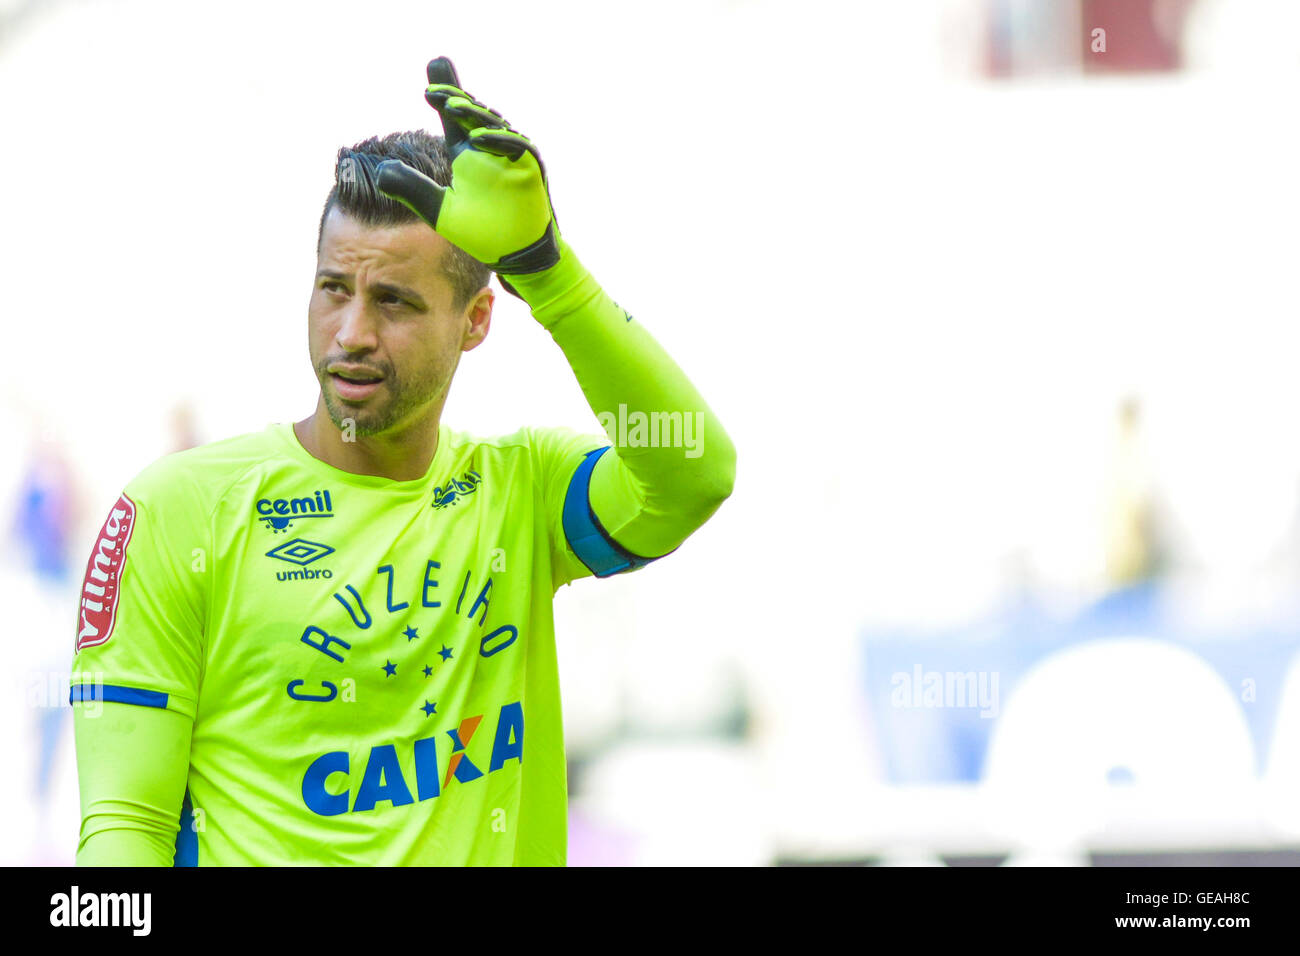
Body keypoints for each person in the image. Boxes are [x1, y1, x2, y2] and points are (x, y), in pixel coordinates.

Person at [69, 57, 735, 865]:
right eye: (332, 288)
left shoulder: (519, 494)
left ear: (478, 319)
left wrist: (552, 279)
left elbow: (694, 473)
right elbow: (122, 831)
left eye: (394, 301)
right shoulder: (179, 509)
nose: (351, 331)